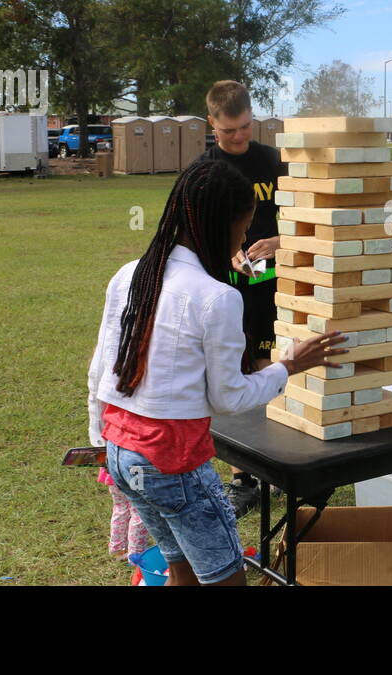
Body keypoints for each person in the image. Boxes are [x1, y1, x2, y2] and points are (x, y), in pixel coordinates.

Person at [86, 157, 346, 586]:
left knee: (182, 571)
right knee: (226, 579)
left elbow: (100, 371)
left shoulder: (129, 274)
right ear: (219, 225)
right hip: (173, 463)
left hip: (121, 453)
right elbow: (230, 398)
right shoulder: (217, 297)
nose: (244, 240)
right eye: (243, 230)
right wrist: (289, 366)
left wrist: (100, 439)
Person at [196, 81, 284, 517]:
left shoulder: (273, 161)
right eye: (229, 130)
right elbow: (188, 231)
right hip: (223, 292)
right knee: (230, 372)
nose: (239, 137)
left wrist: (279, 242)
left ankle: (276, 465)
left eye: (246, 127)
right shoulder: (203, 170)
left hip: (272, 288)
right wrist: (223, 247)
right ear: (212, 123)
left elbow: (309, 219)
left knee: (270, 365)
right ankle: (240, 478)